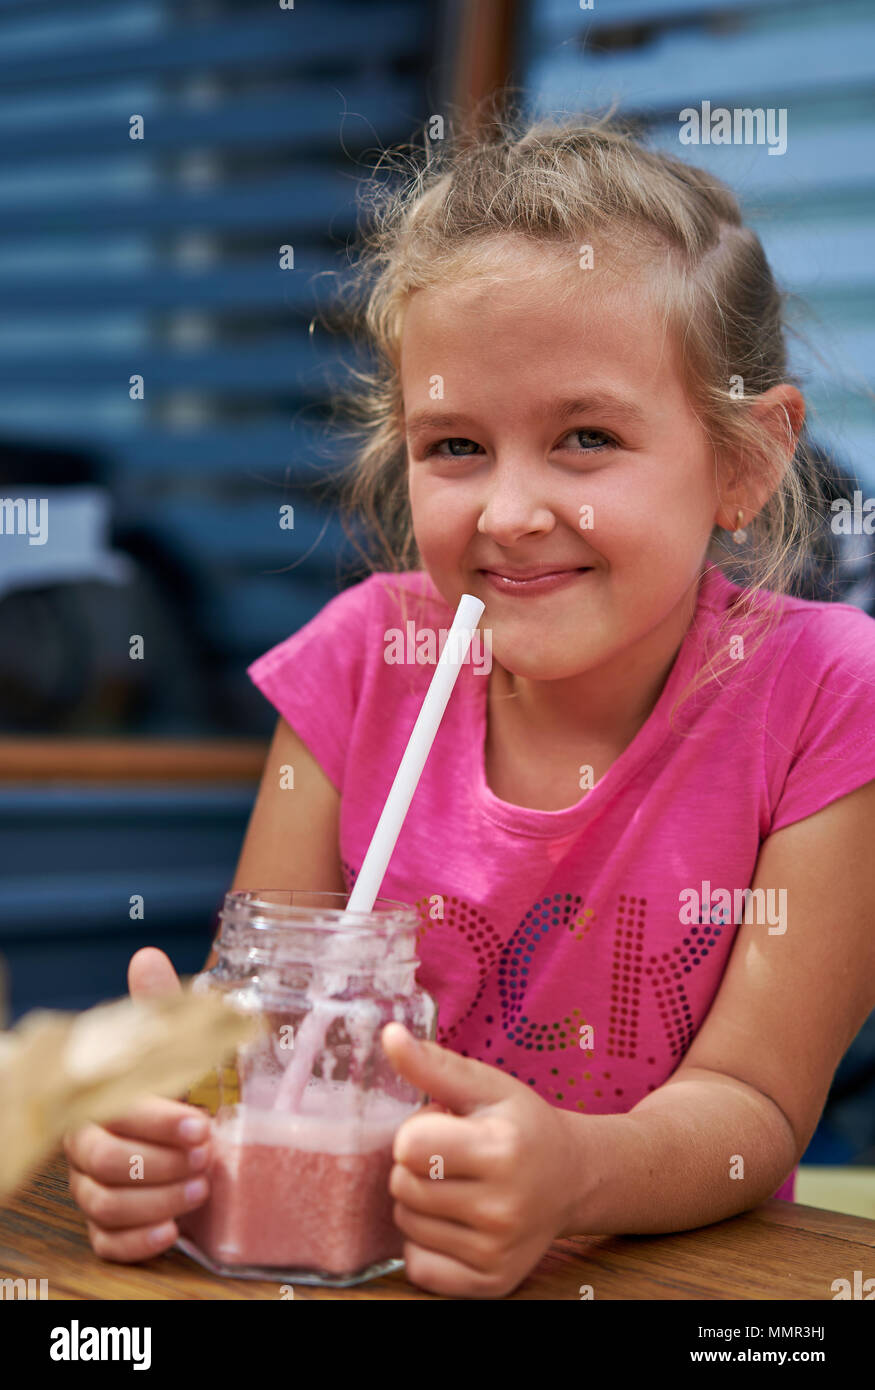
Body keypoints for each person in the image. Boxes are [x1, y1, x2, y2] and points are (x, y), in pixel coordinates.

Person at [64, 107, 875, 1298]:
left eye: (585, 437)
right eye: (454, 446)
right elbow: (270, 1024)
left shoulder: (824, 695)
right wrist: (163, 1122)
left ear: (746, 460)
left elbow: (751, 1106)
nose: (504, 513)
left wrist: (571, 1171)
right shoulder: (358, 660)